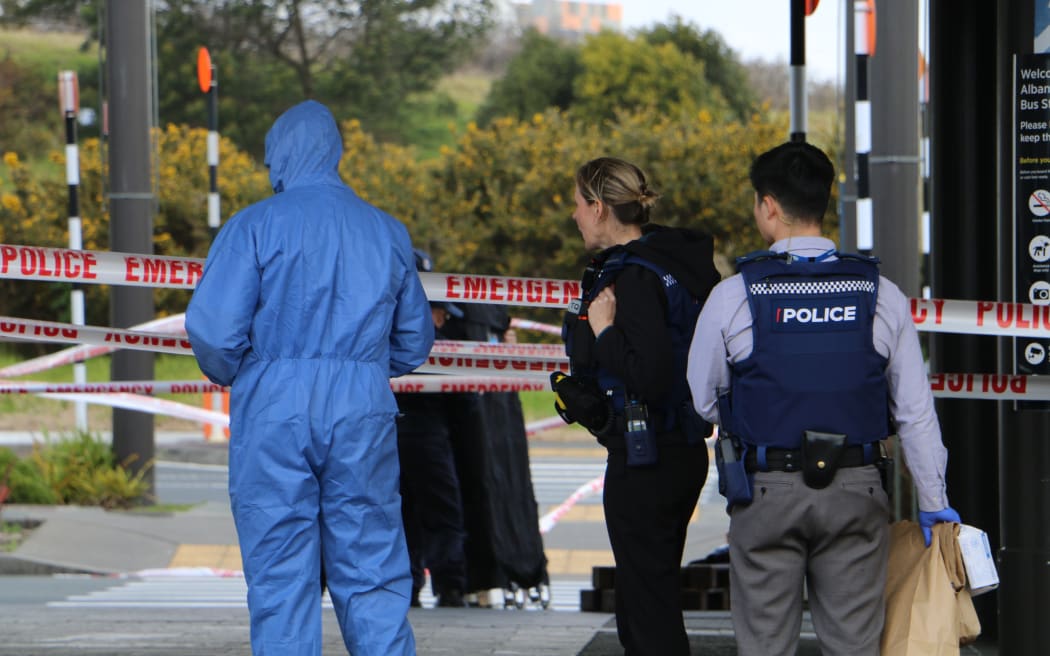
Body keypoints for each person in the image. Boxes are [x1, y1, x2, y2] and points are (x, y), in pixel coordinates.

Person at [685, 140, 960, 656]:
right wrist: (933, 501)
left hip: (765, 489)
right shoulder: (881, 293)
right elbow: (916, 414)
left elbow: (701, 399)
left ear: (768, 206)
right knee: (854, 647)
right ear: (824, 200)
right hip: (855, 492)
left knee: (765, 647)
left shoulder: (734, 295)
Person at [185, 100, 434, 656]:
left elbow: (214, 330)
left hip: (274, 405)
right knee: (371, 564)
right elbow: (415, 340)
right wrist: (364, 368)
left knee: (280, 573)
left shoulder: (252, 226)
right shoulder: (387, 232)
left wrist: (245, 375)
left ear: (282, 156)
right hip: (361, 407)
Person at [553, 156, 720, 654]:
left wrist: (603, 329)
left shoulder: (634, 277)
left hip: (647, 455)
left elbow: (648, 373)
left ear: (600, 208)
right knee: (650, 590)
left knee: (648, 609)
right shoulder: (671, 263)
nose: (575, 216)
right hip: (677, 448)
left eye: (579, 205)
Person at [396, 248, 469, 608]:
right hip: (425, 430)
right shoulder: (425, 335)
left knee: (399, 510)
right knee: (440, 509)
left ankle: (408, 585)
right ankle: (449, 582)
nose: (441, 321)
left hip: (388, 427)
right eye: (437, 313)